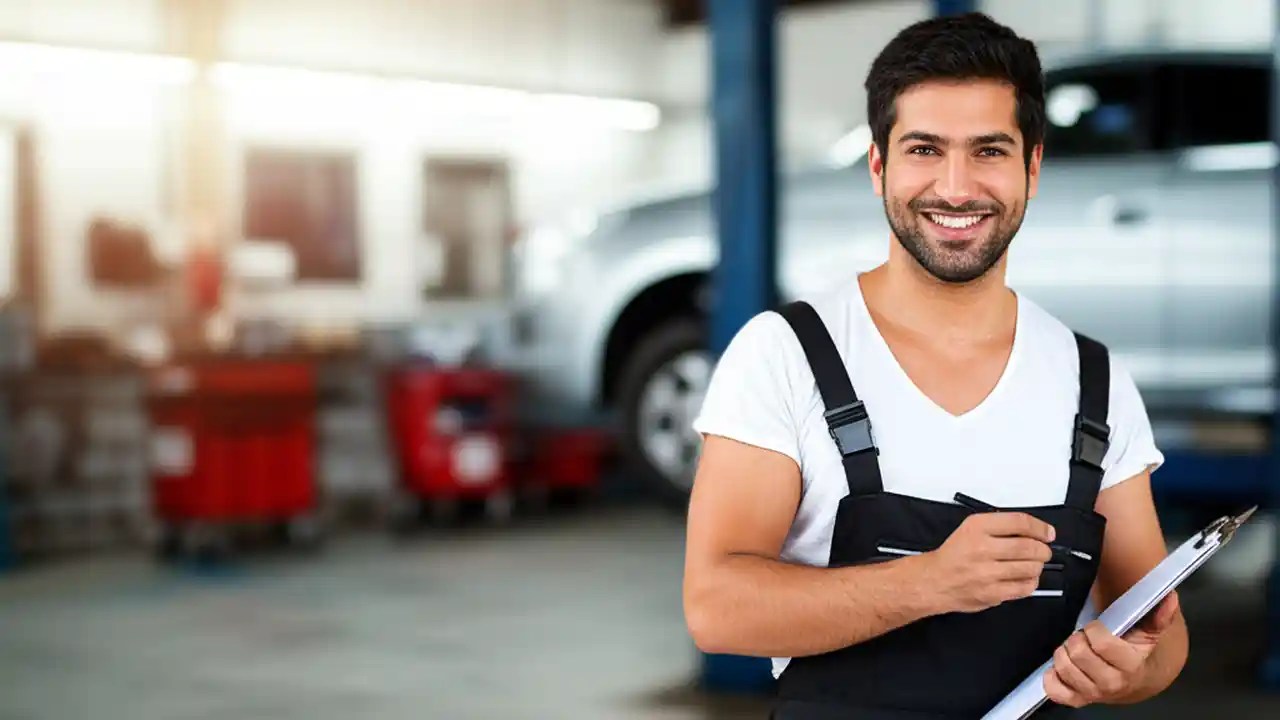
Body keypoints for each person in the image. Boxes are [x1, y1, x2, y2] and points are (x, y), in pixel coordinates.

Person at [682, 12, 1188, 719]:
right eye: (924, 149)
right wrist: (929, 583)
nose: (955, 187)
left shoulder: (1093, 384)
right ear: (878, 166)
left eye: (989, 151)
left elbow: (1162, 634)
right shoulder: (785, 356)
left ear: (1032, 168)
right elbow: (716, 608)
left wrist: (1130, 672)